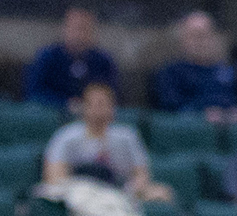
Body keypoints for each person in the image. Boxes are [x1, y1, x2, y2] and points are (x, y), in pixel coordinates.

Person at [43, 82, 175, 202]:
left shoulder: (127, 136)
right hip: (79, 193)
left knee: (162, 193)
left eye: (102, 103)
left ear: (112, 107)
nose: (97, 110)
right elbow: (54, 177)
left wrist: (131, 190)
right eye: (92, 104)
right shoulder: (66, 136)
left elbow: (141, 174)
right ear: (84, 107)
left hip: (119, 193)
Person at [152, 11, 237, 121]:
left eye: (205, 35)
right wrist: (201, 114)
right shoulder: (170, 73)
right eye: (194, 35)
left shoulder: (232, 71)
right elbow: (169, 108)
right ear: (183, 39)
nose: (200, 41)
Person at [25, 6, 121, 107]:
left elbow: (113, 95)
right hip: (51, 116)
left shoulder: (103, 62)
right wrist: (65, 104)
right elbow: (34, 93)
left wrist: (88, 105)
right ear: (65, 28)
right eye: (75, 28)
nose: (80, 34)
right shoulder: (47, 57)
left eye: (85, 29)